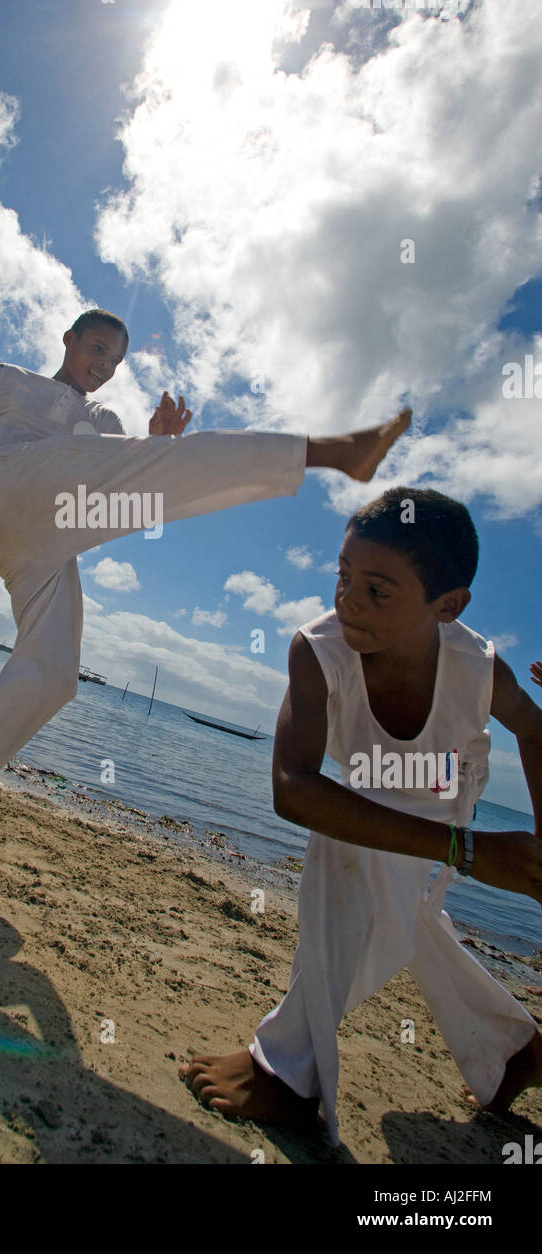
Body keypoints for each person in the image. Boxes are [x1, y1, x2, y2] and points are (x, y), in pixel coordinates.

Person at [0, 236, 411, 869]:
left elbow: (125, 470)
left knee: (52, 675)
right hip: (1, 486)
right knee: (148, 465)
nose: (104, 364)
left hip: (40, 542)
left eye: (116, 360)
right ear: (69, 339)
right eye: (97, 347)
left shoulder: (103, 427)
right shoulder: (11, 383)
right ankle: (330, 452)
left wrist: (155, 446)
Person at [180, 487, 542, 1143]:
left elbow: (535, 732)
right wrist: (469, 852)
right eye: (343, 576)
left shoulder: (479, 670)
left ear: (447, 607)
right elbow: (293, 788)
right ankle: (512, 1049)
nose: (348, 600)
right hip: (376, 785)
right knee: (375, 890)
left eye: (377, 590)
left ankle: (286, 1075)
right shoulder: (317, 651)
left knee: (370, 886)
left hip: (447, 780)